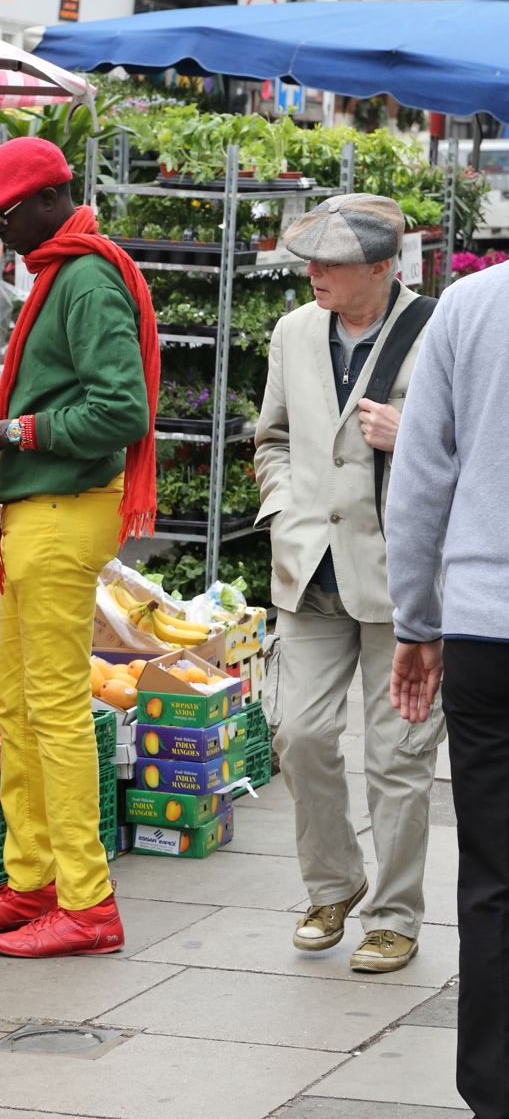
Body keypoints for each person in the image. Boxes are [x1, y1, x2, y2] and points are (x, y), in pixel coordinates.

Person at [0, 136, 157, 958]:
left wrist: (8, 429)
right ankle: (33, 883)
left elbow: (120, 411)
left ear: (47, 202)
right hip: (38, 509)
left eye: (2, 217)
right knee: (18, 706)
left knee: (53, 712)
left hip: (62, 512)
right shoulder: (64, 271)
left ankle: (87, 905)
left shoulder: (85, 278)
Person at [254, 193, 443, 973]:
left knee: (398, 755)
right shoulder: (293, 332)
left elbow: (483, 445)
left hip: (404, 580)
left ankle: (393, 914)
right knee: (295, 735)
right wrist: (279, 509)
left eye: (331, 262)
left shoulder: (436, 332)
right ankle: (331, 883)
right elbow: (270, 436)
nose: (313, 274)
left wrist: (416, 434)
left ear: (382, 265)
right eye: (309, 259)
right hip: (308, 571)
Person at [384, 262, 509, 1119]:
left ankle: (495, 1089)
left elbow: (419, 476)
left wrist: (415, 620)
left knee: (494, 873)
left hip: (485, 626)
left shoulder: (471, 304)